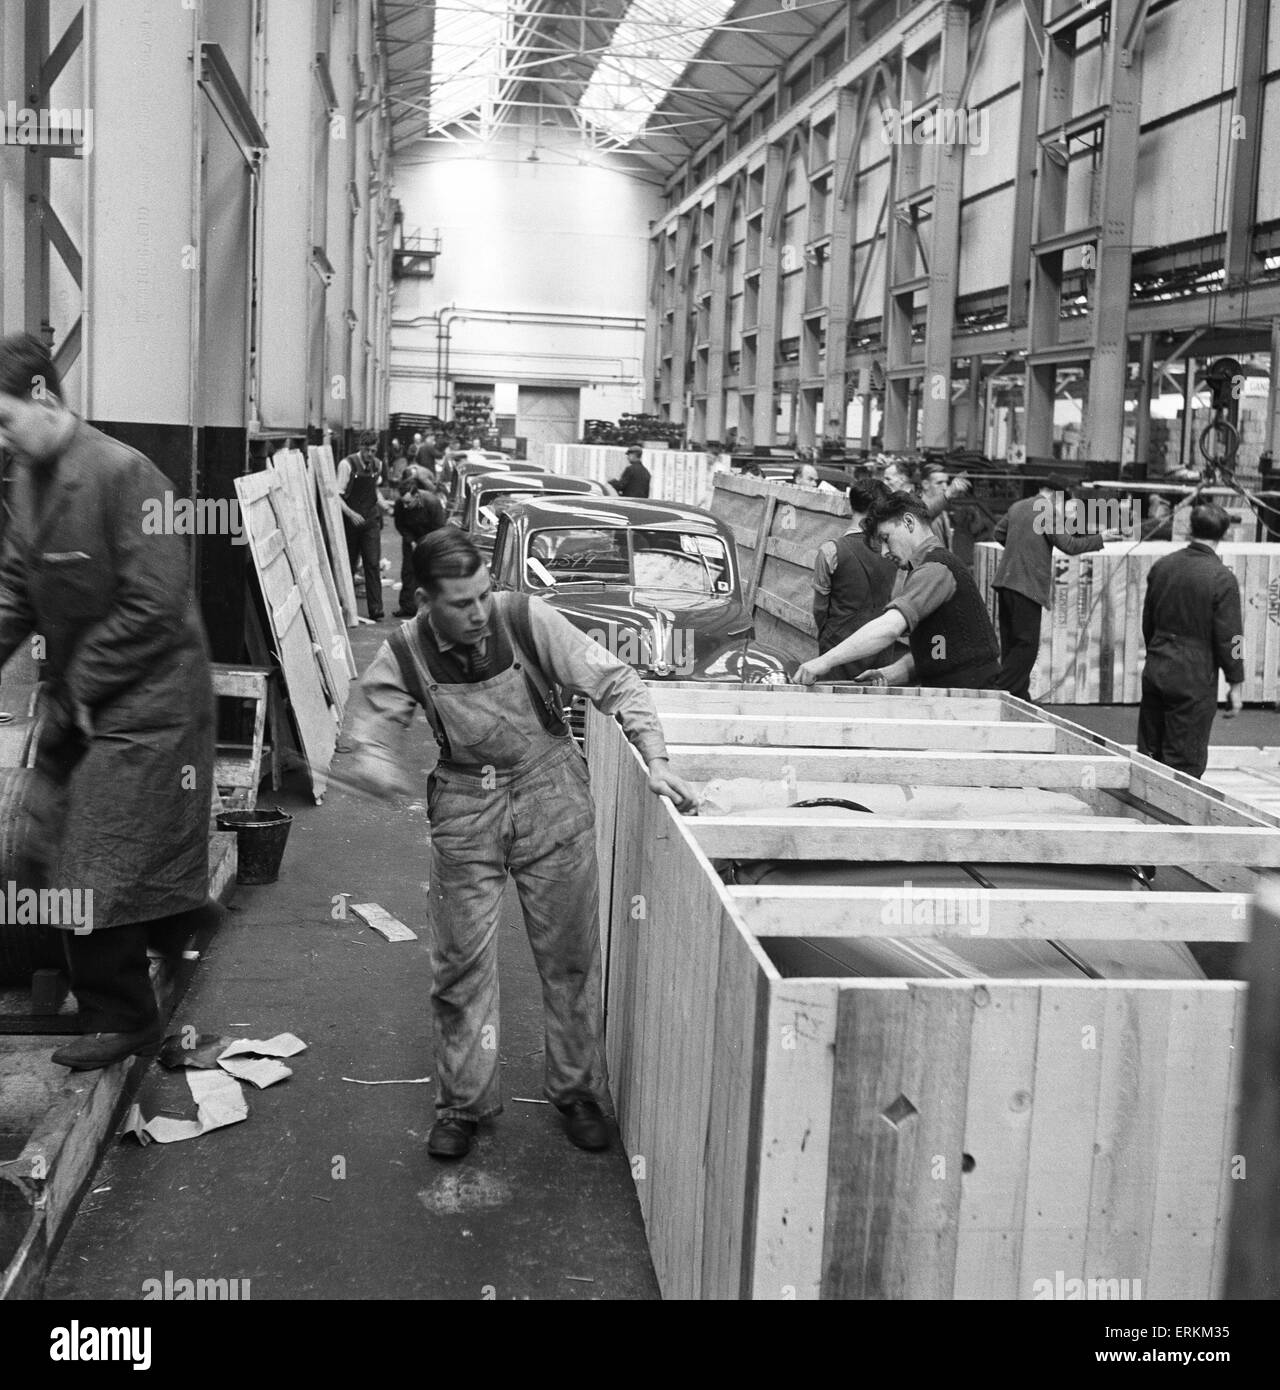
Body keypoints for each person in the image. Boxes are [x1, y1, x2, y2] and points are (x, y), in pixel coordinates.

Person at [347, 530, 695, 1158]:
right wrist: (372, 757)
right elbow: (372, 722)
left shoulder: (525, 619)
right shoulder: (404, 649)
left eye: (484, 594)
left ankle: (578, 1093)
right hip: (465, 804)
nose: (479, 612)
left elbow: (615, 680)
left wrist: (658, 757)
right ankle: (462, 1105)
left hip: (550, 788)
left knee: (570, 958)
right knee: (459, 967)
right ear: (425, 601)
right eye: (461, 603)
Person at [0, 332, 215, 1069]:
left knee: (90, 857)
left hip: (149, 694)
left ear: (41, 397)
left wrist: (80, 685)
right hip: (85, 697)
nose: (0, 439)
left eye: (4, 420)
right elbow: (15, 587)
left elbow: (156, 604)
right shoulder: (26, 481)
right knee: (48, 840)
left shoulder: (128, 475)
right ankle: (180, 924)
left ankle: (122, 1016)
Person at [794, 489, 1000, 688]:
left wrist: (825, 661)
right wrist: (890, 674)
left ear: (908, 522)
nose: (884, 552)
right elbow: (937, 651)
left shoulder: (935, 568)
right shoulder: (927, 567)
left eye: (886, 538)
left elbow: (889, 627)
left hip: (973, 695)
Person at [1137, 503, 1244, 779]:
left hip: (1157, 663)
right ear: (1225, 534)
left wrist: (1156, 652)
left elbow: (1148, 621)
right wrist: (1236, 683)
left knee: (1149, 753)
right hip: (1194, 674)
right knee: (1184, 763)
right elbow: (1232, 637)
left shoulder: (1162, 567)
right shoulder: (1222, 578)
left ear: (1190, 528)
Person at [990, 477, 1104, 700]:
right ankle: (1000, 691)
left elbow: (999, 533)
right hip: (1027, 586)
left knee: (1012, 643)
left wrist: (1022, 548)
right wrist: (1101, 538)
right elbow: (1069, 545)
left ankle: (1019, 695)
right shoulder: (1047, 510)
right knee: (1027, 645)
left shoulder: (1017, 506)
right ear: (1054, 495)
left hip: (1005, 583)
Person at [811, 481, 898, 680]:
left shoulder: (831, 550)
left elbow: (819, 609)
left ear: (851, 505)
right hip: (880, 648)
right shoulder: (893, 551)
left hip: (837, 650)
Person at [337, 430, 390, 622]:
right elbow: (336, 495)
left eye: (373, 451)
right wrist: (351, 514)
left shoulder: (378, 465)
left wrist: (385, 505)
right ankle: (345, 608)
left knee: (372, 564)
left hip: (370, 521)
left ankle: (376, 609)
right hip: (351, 521)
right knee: (349, 564)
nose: (370, 454)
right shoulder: (347, 464)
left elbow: (374, 490)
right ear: (360, 447)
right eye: (367, 450)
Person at [391, 467, 446, 617]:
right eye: (403, 503)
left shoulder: (432, 503)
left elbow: (439, 528)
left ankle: (430, 608)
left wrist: (428, 545)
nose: (405, 506)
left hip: (430, 538)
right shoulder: (400, 504)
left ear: (416, 496)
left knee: (428, 573)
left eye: (408, 503)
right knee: (408, 572)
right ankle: (407, 607)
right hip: (411, 538)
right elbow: (400, 524)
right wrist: (410, 541)